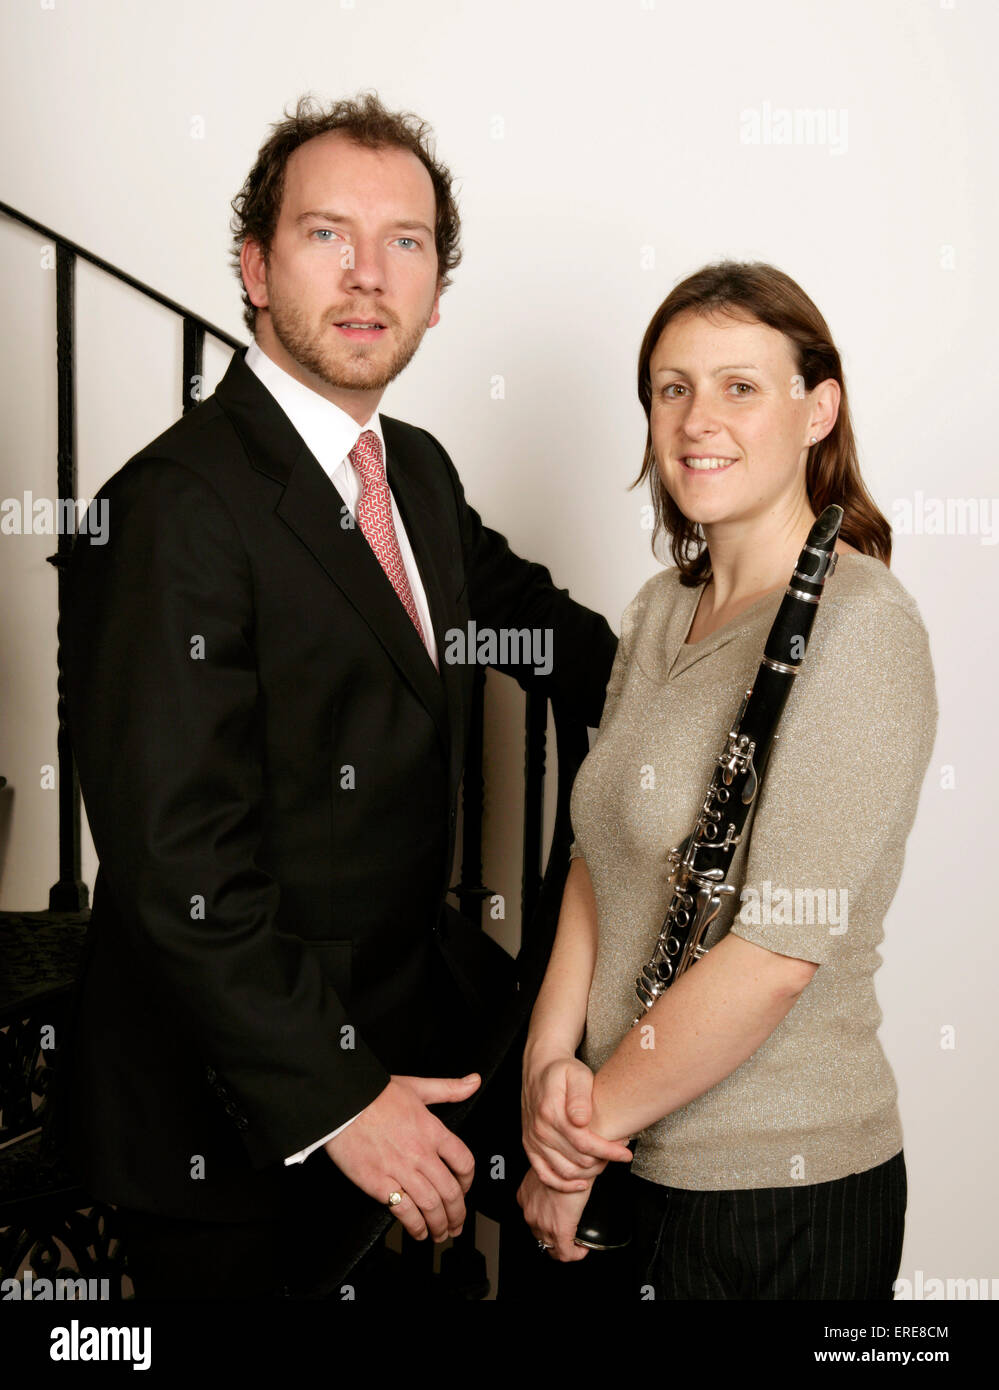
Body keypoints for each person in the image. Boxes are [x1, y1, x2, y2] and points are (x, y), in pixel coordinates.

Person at [57, 92, 617, 1299]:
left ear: (435, 282)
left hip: (404, 1050)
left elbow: (548, 633)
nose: (369, 274)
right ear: (255, 267)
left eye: (404, 242)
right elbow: (174, 861)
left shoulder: (409, 468)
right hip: (233, 1129)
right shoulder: (169, 509)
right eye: (327, 235)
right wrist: (339, 1098)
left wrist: (719, 657)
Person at [517, 261, 937, 1300]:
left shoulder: (863, 628)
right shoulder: (662, 606)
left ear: (817, 409)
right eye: (673, 387)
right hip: (618, 1152)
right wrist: (545, 1077)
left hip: (773, 1197)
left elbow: (774, 959)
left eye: (741, 386)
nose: (698, 418)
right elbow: (596, 859)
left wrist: (581, 1135)